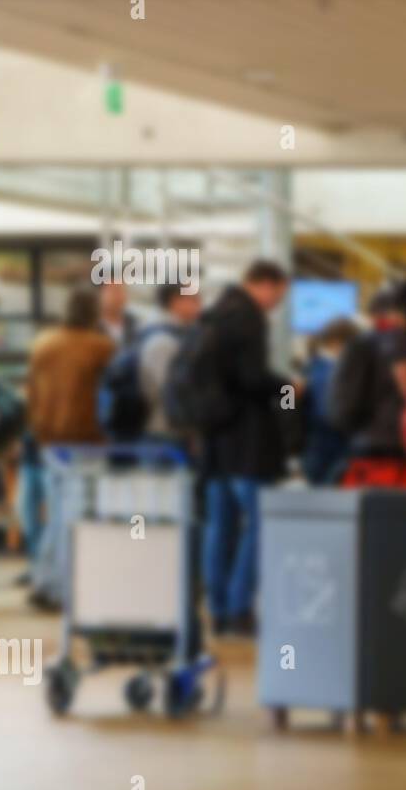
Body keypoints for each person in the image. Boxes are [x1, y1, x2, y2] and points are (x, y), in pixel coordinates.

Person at [198, 260, 291, 635]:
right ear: (264, 285)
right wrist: (287, 388)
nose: (276, 305)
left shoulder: (214, 314)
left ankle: (218, 611)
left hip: (215, 438)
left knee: (219, 526)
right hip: (248, 440)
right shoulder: (249, 317)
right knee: (260, 522)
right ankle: (240, 607)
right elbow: (252, 378)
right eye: (278, 297)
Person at [25, 286, 117, 609]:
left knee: (57, 515)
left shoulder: (42, 344)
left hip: (48, 441)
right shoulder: (101, 348)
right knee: (75, 518)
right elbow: (113, 397)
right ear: (94, 314)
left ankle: (44, 581)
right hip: (87, 442)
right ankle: (63, 590)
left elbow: (32, 393)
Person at [328, 276, 406, 488]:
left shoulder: (371, 338)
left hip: (363, 440)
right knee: (400, 513)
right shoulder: (399, 339)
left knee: (374, 513)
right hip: (391, 445)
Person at [139, 283, 202, 444]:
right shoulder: (163, 341)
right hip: (163, 432)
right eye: (194, 299)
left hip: (172, 429)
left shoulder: (180, 335)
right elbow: (168, 390)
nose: (200, 305)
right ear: (176, 301)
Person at [300, 318, 358, 484]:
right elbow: (327, 413)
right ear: (338, 343)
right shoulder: (333, 371)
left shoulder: (309, 367)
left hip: (310, 446)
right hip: (334, 446)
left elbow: (285, 402)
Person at [98, 279, 138, 346]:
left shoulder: (133, 323)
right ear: (100, 293)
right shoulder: (90, 327)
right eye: (114, 290)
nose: (120, 295)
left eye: (123, 290)